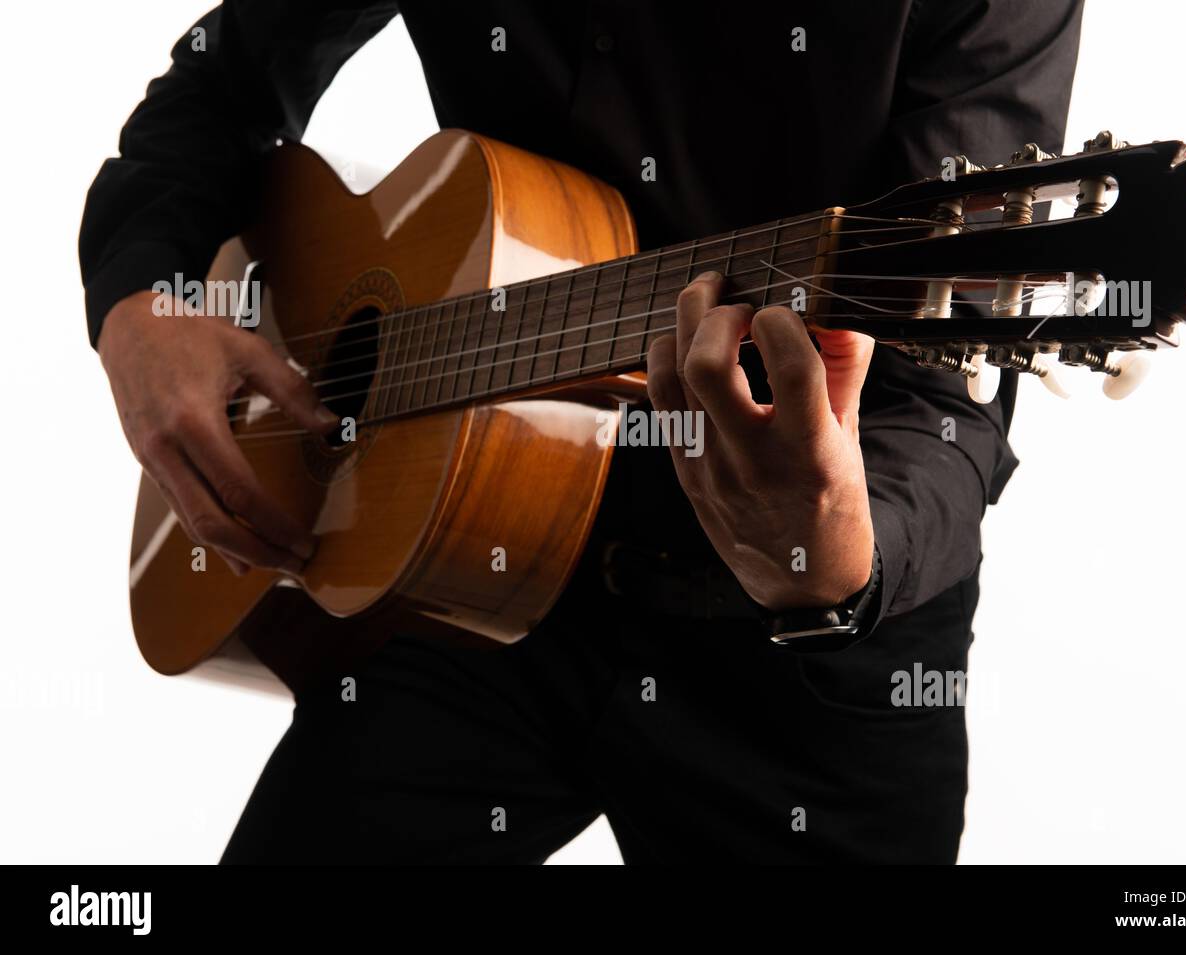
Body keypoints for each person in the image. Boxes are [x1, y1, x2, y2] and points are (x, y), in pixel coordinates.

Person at [80, 1, 1083, 863]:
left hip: (809, 662)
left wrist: (839, 560)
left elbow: (943, 400)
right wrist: (139, 304)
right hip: (466, 552)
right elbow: (225, 79)